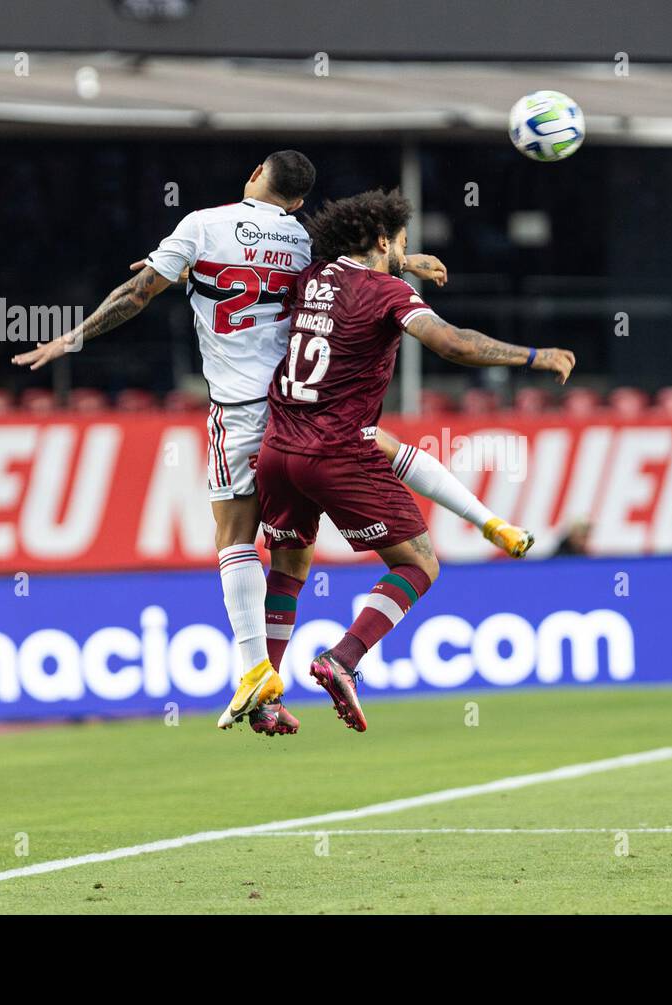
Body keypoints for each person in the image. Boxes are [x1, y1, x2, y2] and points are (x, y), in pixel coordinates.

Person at [11, 153, 532, 738]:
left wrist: (74, 337)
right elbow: (359, 266)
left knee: (236, 540)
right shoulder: (304, 243)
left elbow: (136, 295)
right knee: (312, 533)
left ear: (257, 172)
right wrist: (405, 261)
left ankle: (256, 669)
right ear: (301, 202)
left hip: (237, 410)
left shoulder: (202, 225)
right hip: (299, 401)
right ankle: (489, 527)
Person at [246, 188, 574, 733]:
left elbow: (360, 263)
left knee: (288, 568)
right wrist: (532, 355)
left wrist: (404, 259)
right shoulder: (388, 293)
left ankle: (264, 697)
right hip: (337, 451)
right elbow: (451, 343)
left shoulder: (311, 276)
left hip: (278, 447)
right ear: (382, 240)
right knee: (418, 565)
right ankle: (344, 658)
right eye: (400, 240)